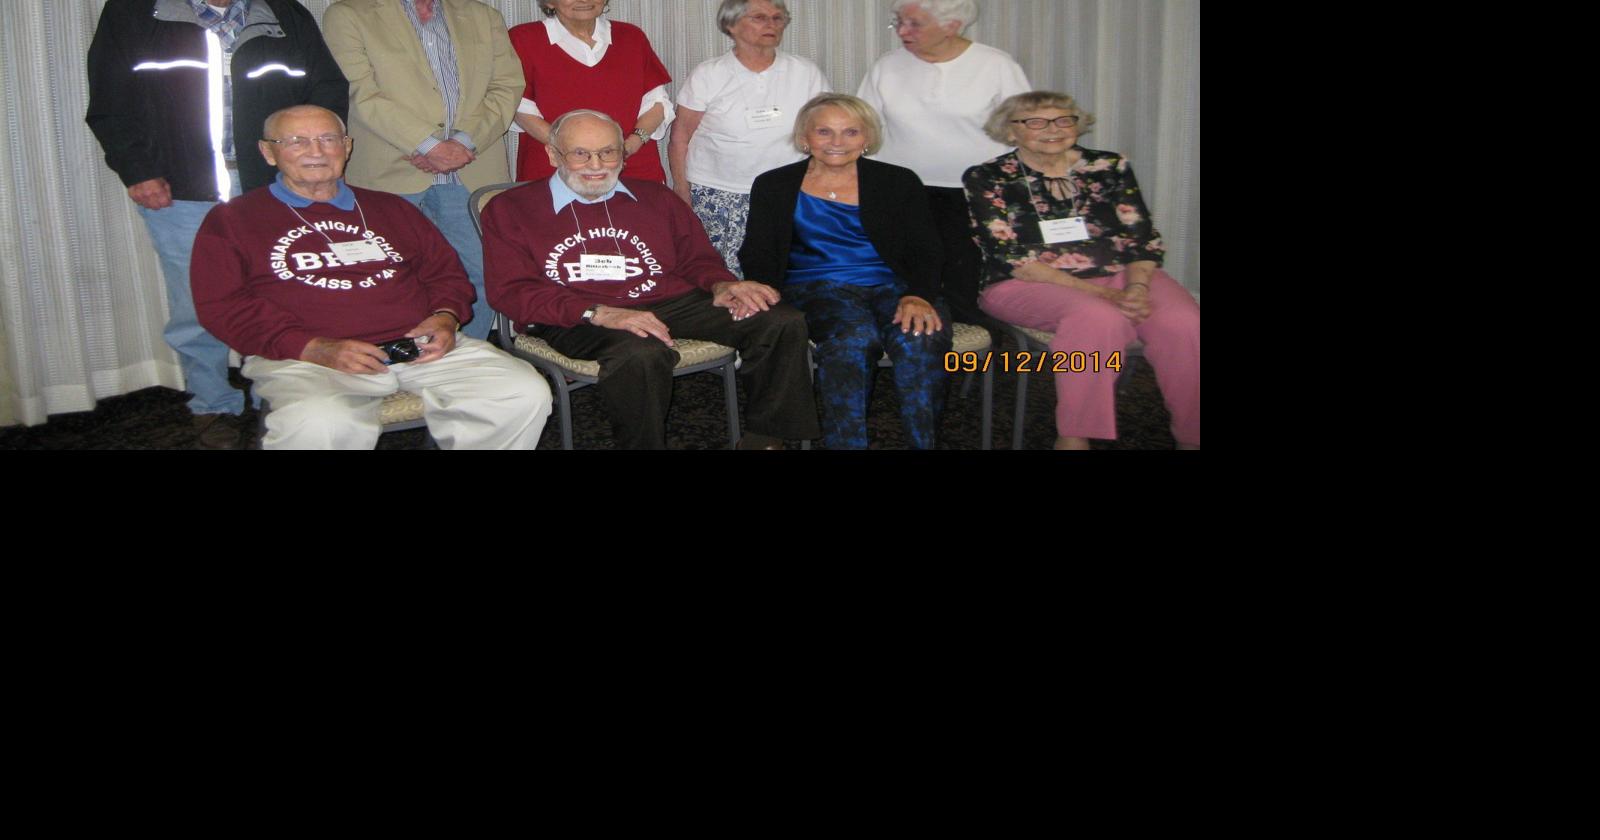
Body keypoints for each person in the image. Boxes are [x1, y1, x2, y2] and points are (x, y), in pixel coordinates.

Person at [191, 105, 552, 450]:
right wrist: (312, 347)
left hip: (418, 346)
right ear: (268, 153)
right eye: (296, 141)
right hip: (304, 357)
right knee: (318, 422)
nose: (316, 151)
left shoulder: (390, 208)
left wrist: (445, 317)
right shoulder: (234, 220)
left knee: (522, 391)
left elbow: (446, 274)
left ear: (346, 147)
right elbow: (222, 307)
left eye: (328, 139)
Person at [85, 0, 349, 449]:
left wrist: (312, 163)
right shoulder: (135, 12)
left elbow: (326, 90)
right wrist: (136, 169)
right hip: (180, 186)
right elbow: (111, 101)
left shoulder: (286, 13)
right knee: (196, 303)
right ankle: (212, 404)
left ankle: (290, 391)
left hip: (274, 187)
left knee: (289, 290)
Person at [481, 110, 820, 450]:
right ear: (553, 155)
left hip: (667, 300)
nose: (597, 164)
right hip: (575, 313)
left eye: (608, 152)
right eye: (581, 153)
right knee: (640, 354)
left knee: (778, 320)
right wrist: (595, 311)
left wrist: (722, 284)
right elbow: (511, 291)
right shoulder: (511, 208)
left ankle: (767, 438)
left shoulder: (656, 198)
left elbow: (697, 258)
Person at [963, 92, 1199, 450]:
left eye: (1063, 120)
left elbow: (1142, 236)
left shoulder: (1109, 166)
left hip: (1121, 272)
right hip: (1026, 281)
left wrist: (1135, 287)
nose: (1053, 129)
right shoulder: (989, 177)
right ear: (1010, 131)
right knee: (1097, 317)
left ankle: (1193, 435)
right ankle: (1074, 436)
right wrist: (1108, 295)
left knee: (1185, 323)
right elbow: (1010, 256)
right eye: (1036, 122)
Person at [741, 94, 949, 450]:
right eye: (824, 131)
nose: (837, 142)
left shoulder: (898, 181)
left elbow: (926, 249)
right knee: (851, 340)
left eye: (851, 132)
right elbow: (757, 252)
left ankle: (925, 443)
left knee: (920, 338)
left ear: (867, 138)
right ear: (804, 137)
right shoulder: (773, 184)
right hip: (815, 287)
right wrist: (762, 293)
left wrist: (919, 295)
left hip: (894, 286)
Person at [321, 0, 525, 342]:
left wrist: (464, 143)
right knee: (383, 277)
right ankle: (395, 361)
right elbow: (359, 91)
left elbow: (506, 86)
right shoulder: (348, 14)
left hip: (470, 169)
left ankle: (464, 361)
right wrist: (426, 144)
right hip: (389, 171)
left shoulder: (483, 15)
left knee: (482, 274)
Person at [856, 0, 1029, 332]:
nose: (903, 32)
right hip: (903, 192)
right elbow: (865, 127)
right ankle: (915, 346)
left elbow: (1021, 129)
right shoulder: (887, 66)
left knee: (965, 284)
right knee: (908, 275)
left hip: (974, 194)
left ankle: (971, 366)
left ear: (953, 25)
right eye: (899, 22)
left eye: (915, 24)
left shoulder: (995, 65)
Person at [667, 0, 830, 275]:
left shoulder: (805, 72)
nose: (771, 24)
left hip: (785, 191)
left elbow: (824, 131)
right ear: (731, 25)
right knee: (721, 276)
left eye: (778, 18)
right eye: (759, 17)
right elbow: (680, 136)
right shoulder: (709, 74)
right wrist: (682, 191)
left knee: (782, 270)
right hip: (717, 193)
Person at [508, 1, 674, 184]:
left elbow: (656, 103)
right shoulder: (524, 38)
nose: (583, 0)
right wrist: (574, 152)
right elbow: (520, 108)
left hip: (631, 167)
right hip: (556, 168)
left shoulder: (631, 37)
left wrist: (628, 146)